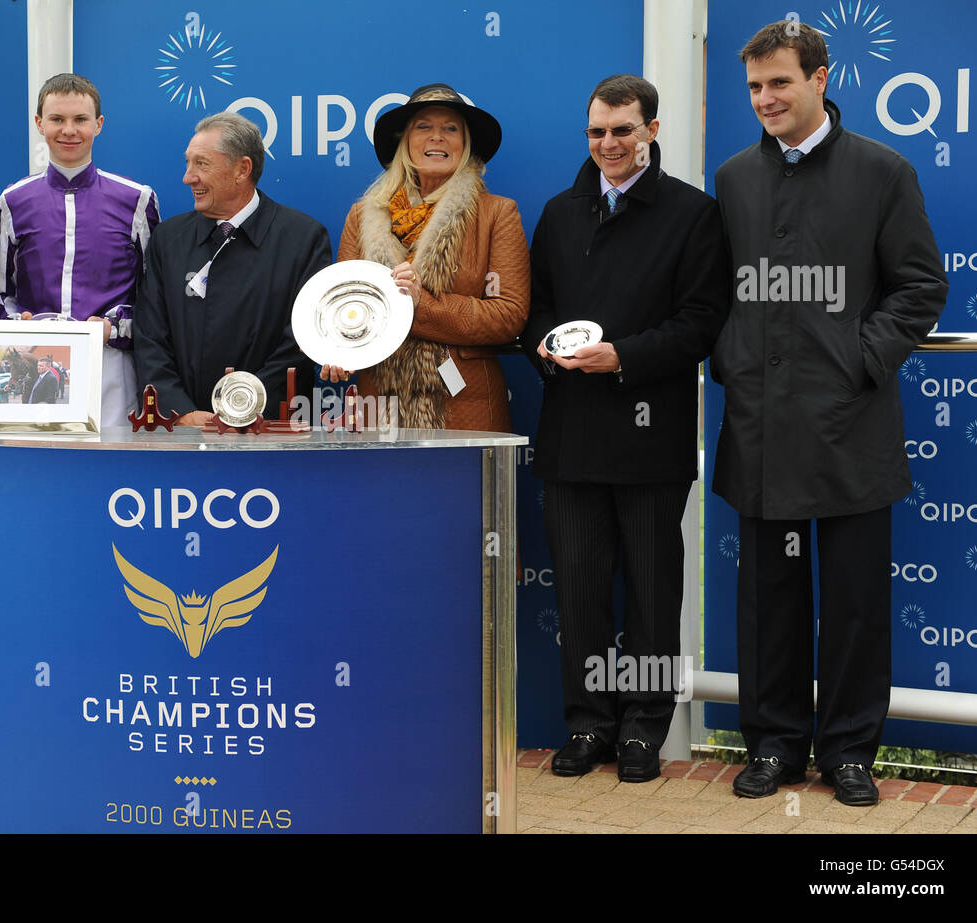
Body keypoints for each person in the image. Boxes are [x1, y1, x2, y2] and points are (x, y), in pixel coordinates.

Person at [712, 22, 947, 805]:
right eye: (754, 88)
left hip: (851, 425)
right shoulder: (735, 176)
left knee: (853, 601)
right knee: (767, 600)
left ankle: (850, 750)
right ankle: (773, 744)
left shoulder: (885, 171)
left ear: (820, 78)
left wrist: (860, 357)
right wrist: (734, 361)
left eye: (779, 83)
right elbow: (720, 292)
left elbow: (920, 287)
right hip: (761, 425)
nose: (765, 100)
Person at [523, 75, 730, 782]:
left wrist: (625, 357)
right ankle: (587, 725)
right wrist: (548, 351)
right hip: (571, 437)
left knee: (650, 592)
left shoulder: (693, 214)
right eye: (597, 132)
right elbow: (534, 312)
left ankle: (644, 730)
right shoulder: (558, 213)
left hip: (651, 438)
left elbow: (702, 321)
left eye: (622, 130)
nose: (608, 144)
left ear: (652, 131)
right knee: (578, 594)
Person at [331, 83, 528, 431]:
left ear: (465, 144)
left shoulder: (498, 213)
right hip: (379, 403)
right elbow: (344, 307)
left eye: (450, 128)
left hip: (466, 405)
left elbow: (508, 316)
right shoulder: (362, 216)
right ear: (405, 141)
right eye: (423, 127)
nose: (437, 137)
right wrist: (338, 349)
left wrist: (421, 305)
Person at [134, 112, 331, 424]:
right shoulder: (168, 239)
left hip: (268, 430)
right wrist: (181, 412)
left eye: (202, 164)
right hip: (184, 436)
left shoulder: (304, 238)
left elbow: (301, 342)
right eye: (188, 163)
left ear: (242, 169)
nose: (188, 177)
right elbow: (149, 337)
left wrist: (241, 408)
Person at [0, 73, 160, 426]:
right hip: (36, 360)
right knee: (41, 470)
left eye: (80, 119)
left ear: (98, 125)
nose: (69, 130)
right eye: (57, 119)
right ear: (39, 124)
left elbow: (155, 300)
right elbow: (1, 295)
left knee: (110, 471)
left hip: (111, 367)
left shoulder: (136, 199)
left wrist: (114, 330)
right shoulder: (13, 201)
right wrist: (17, 326)